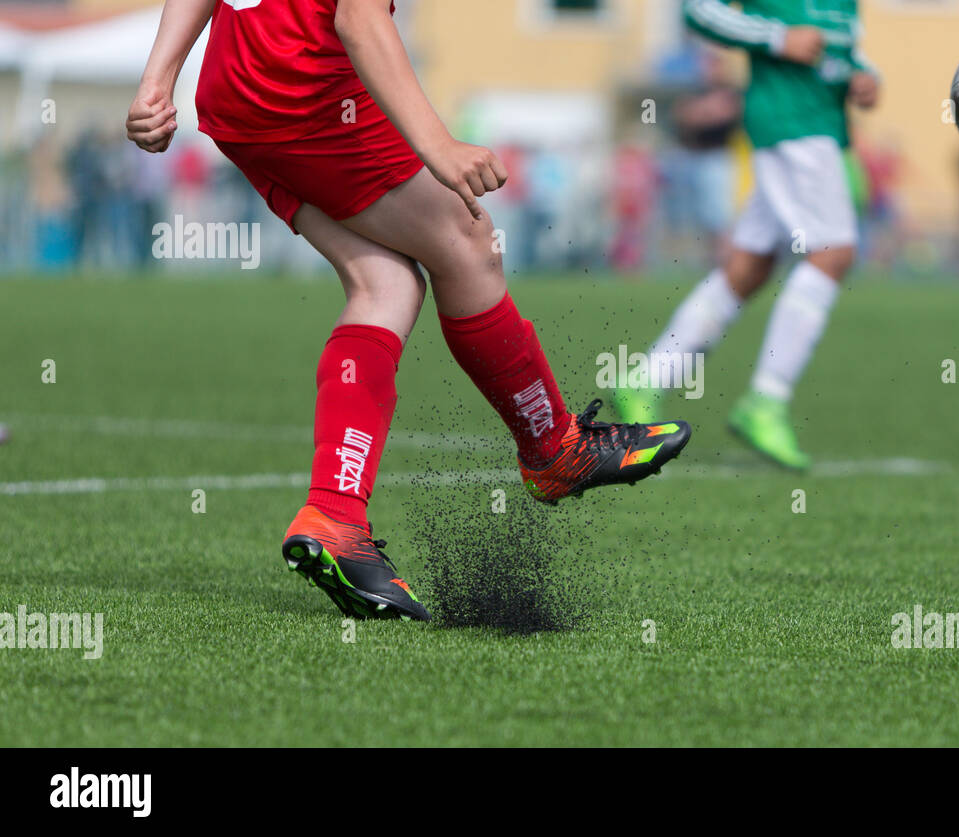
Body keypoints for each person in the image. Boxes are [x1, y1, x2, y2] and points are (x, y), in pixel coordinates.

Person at [126, 0, 691, 622]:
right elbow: (359, 19)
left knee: (384, 283)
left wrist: (158, 79)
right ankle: (555, 448)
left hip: (241, 91)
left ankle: (336, 514)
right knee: (468, 244)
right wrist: (439, 146)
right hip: (304, 83)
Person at [612, 0, 879, 470]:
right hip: (794, 125)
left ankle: (647, 378)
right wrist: (776, 38)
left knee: (748, 268)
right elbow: (699, 11)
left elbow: (837, 48)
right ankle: (767, 399)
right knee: (833, 253)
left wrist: (860, 74)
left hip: (819, 126)